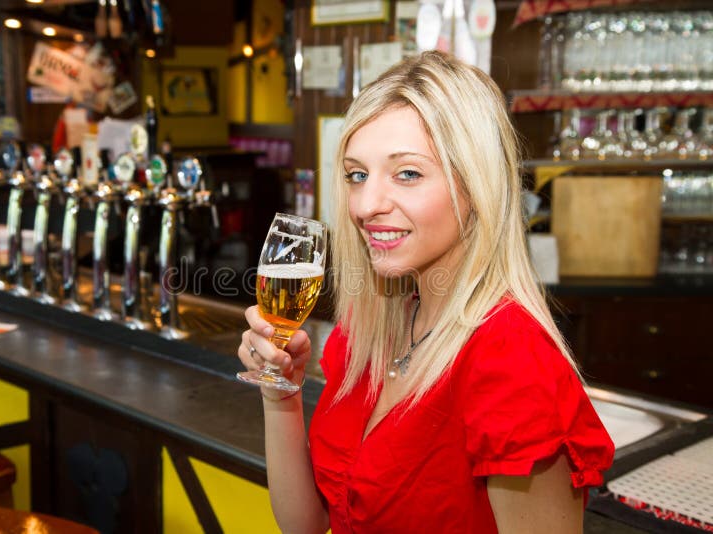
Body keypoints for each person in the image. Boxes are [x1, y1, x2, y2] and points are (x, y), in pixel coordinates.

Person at [238, 50, 614, 533]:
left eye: (407, 173)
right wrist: (280, 392)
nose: (366, 205)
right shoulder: (374, 329)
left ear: (476, 185)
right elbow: (306, 525)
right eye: (358, 174)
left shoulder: (510, 359)